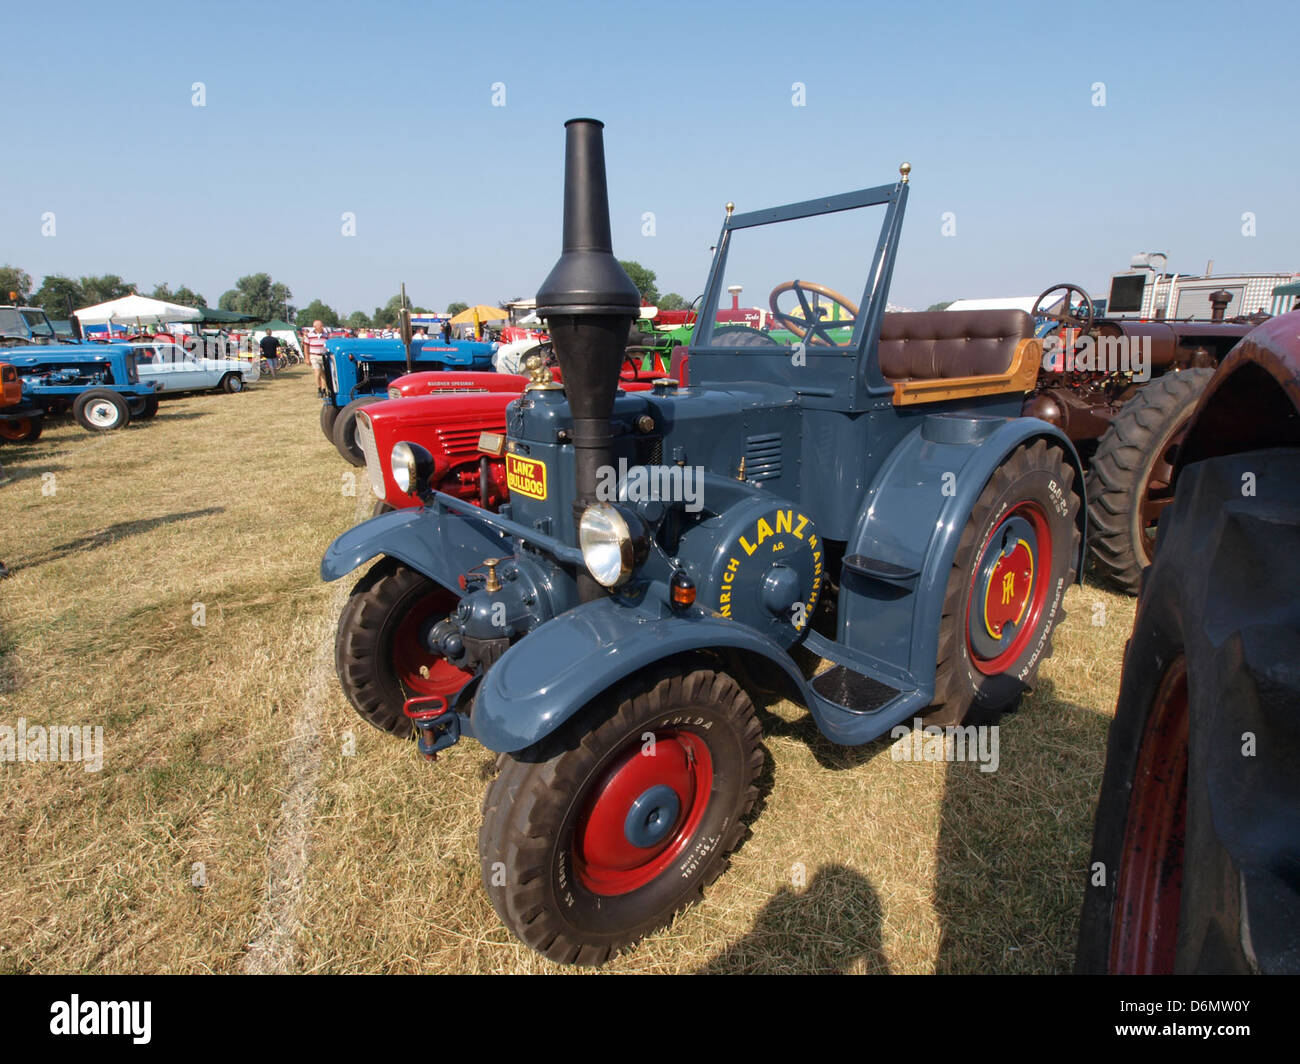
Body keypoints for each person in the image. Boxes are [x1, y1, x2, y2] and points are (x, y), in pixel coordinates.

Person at [303, 319, 329, 396]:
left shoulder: (326, 335)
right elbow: (306, 347)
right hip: (314, 356)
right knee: (317, 372)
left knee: (324, 374)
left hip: (323, 356)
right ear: (315, 327)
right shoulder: (309, 335)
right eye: (320, 325)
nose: (322, 327)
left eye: (322, 325)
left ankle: (324, 389)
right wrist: (307, 358)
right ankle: (319, 389)